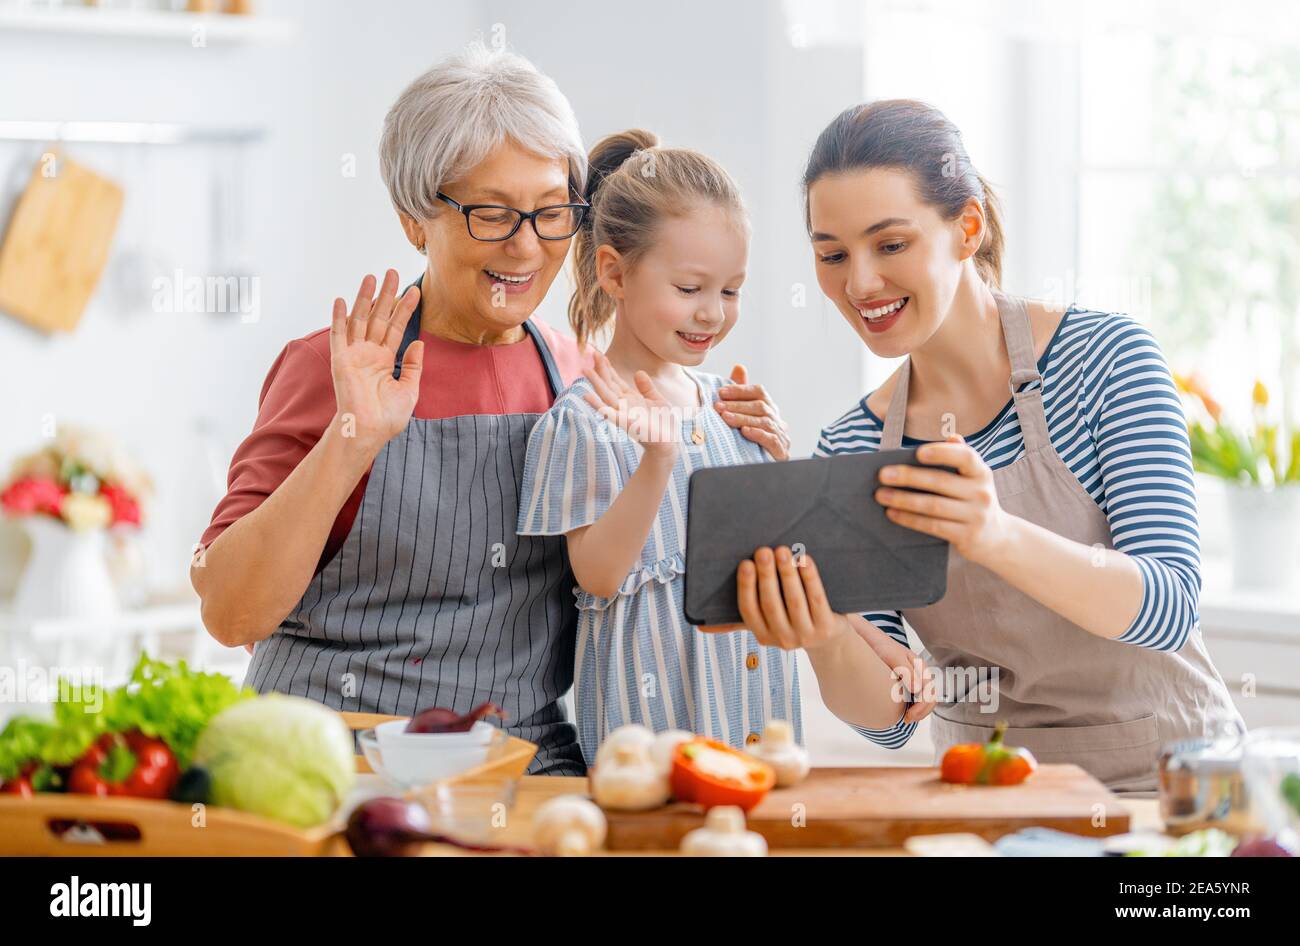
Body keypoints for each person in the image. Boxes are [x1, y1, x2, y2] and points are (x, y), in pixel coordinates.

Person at [730, 99, 1243, 794]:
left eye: (890, 244)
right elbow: (890, 717)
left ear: (967, 228)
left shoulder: (1106, 360)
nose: (859, 283)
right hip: (991, 796)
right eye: (832, 255)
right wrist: (823, 635)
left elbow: (1166, 606)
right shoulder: (853, 443)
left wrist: (993, 534)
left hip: (1171, 797)